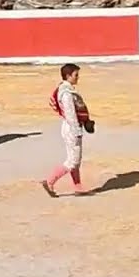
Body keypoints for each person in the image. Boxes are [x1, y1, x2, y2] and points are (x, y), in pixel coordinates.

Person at [41, 63, 94, 197]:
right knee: (73, 161)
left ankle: (78, 186)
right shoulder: (66, 94)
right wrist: (78, 131)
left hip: (70, 127)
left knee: (74, 159)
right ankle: (49, 181)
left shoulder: (66, 90)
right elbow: (71, 114)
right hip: (72, 128)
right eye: (76, 75)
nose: (78, 78)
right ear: (68, 76)